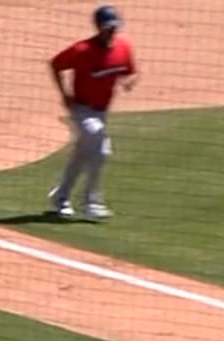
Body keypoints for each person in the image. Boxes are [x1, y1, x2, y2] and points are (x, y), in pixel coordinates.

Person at [47, 5, 140, 220]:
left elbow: (132, 72)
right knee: (101, 148)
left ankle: (61, 197)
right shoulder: (82, 50)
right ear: (98, 27)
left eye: (115, 27)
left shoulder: (123, 48)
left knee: (82, 155)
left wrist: (129, 81)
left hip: (101, 111)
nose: (112, 31)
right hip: (82, 109)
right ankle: (91, 201)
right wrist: (65, 94)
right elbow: (56, 64)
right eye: (108, 27)